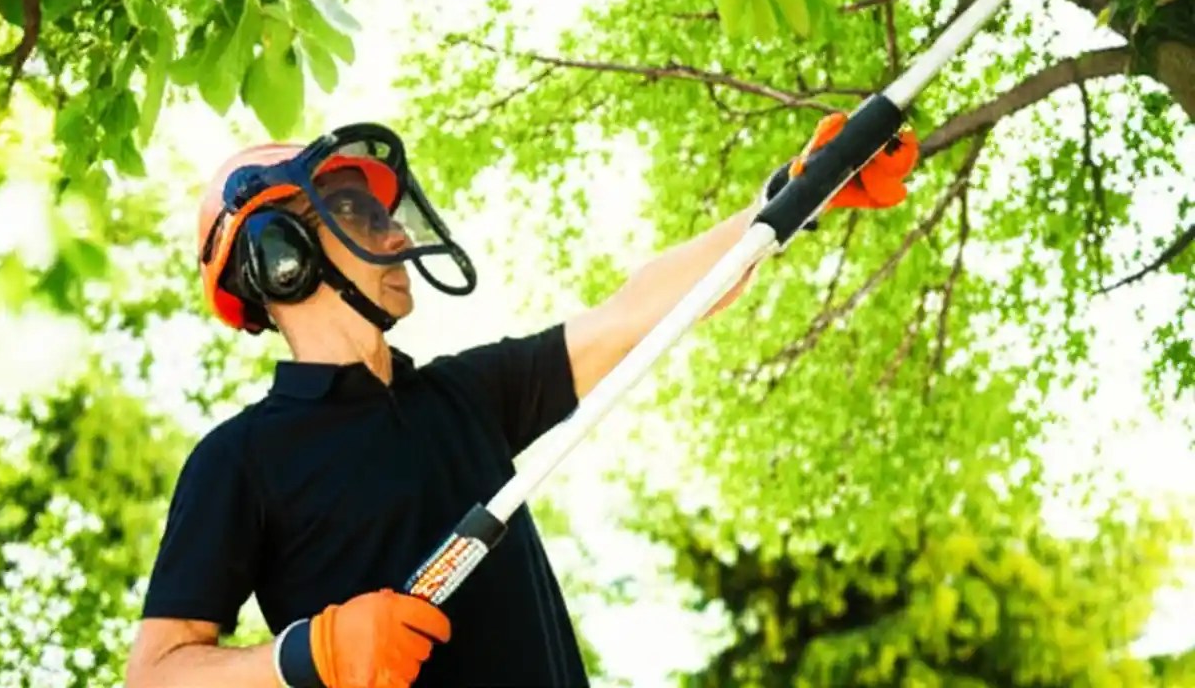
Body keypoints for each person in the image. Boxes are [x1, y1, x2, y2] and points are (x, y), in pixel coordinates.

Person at [124, 115, 917, 688]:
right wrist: (308, 653)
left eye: (387, 215)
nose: (396, 237)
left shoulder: (465, 395)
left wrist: (791, 197)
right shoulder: (240, 461)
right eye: (360, 213)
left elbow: (635, 315)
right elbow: (155, 675)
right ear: (281, 257)